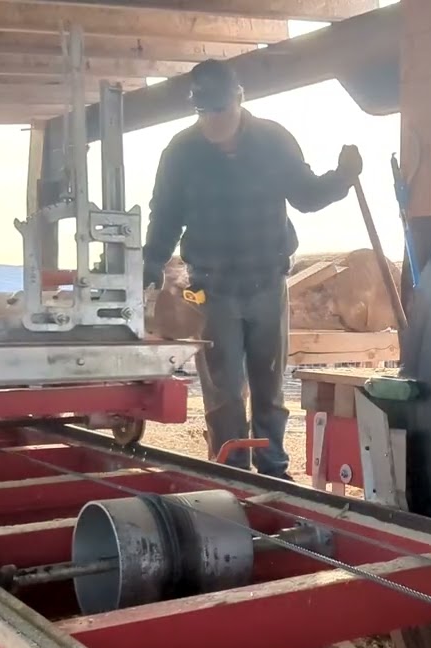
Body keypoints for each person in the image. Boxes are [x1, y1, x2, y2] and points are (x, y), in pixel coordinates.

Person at [143, 59, 362, 479]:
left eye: (219, 110)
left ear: (240, 99)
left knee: (270, 386)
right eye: (204, 112)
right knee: (223, 391)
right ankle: (230, 471)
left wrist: (341, 178)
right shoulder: (181, 152)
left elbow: (306, 195)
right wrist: (153, 259)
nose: (212, 121)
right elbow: (165, 213)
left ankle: (273, 468)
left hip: (267, 282)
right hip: (211, 289)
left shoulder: (273, 140)